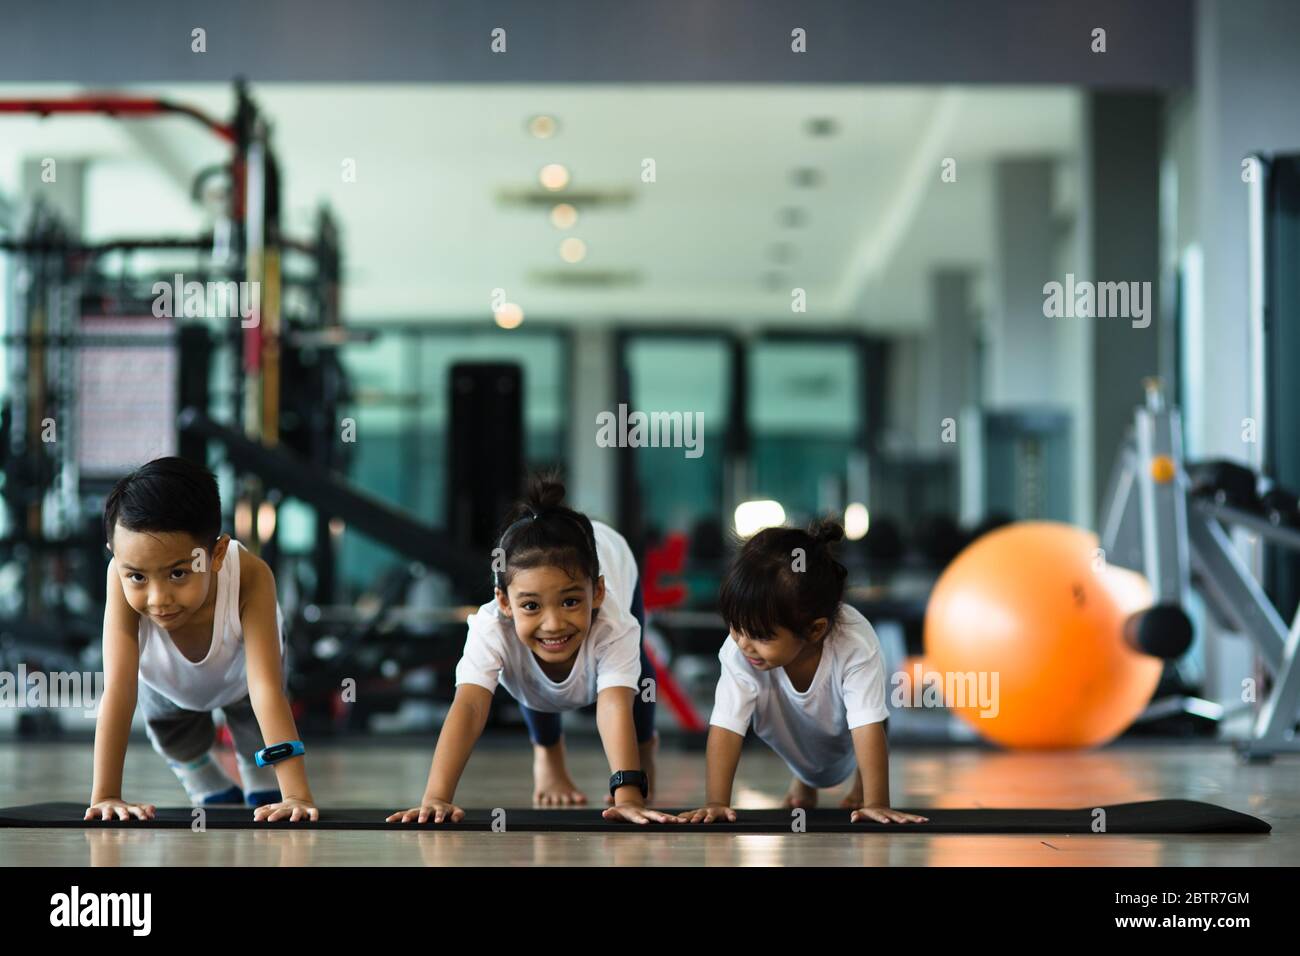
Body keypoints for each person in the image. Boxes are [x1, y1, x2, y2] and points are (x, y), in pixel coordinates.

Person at [389, 474, 677, 825]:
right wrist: (436, 797)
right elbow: (469, 706)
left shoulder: (613, 622)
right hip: (529, 641)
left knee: (637, 669)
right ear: (504, 602)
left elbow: (614, 703)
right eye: (531, 606)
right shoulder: (491, 627)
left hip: (615, 558)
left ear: (597, 592)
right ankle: (549, 754)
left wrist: (628, 792)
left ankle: (646, 748)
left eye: (570, 601)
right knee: (531, 667)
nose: (553, 623)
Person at [86, 457, 318, 823]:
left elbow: (266, 690)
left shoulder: (251, 577)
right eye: (138, 577)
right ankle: (204, 779)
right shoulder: (119, 575)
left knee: (256, 733)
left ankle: (257, 775)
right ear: (116, 556)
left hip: (243, 680)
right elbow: (118, 688)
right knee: (173, 733)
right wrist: (106, 795)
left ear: (217, 554)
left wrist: (295, 794)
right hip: (165, 682)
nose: (158, 599)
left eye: (178, 573)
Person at [679, 520, 928, 825]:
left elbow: (866, 727)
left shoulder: (855, 645)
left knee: (875, 717)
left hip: (846, 731)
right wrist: (716, 802)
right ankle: (805, 780)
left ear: (815, 630)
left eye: (760, 635)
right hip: (788, 729)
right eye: (734, 625)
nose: (744, 643)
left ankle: (860, 789)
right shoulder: (740, 651)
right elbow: (726, 729)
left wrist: (877, 803)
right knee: (781, 718)